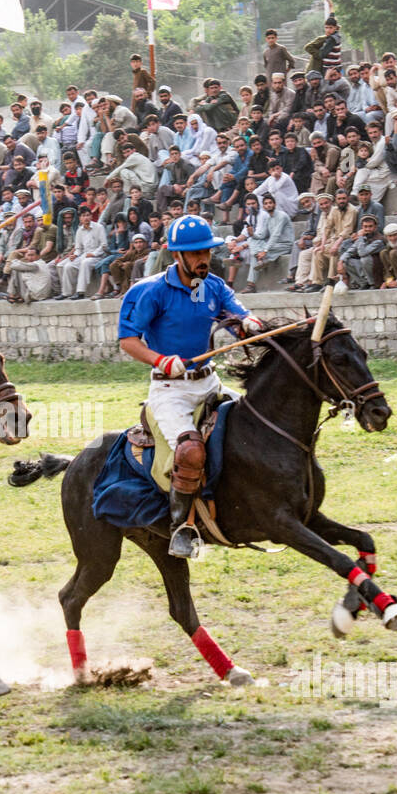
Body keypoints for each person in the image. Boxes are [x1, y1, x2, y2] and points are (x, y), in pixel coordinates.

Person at [116, 214, 264, 558]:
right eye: (195, 253)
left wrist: (249, 323)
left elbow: (237, 317)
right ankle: (181, 527)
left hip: (209, 381)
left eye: (206, 252)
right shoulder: (150, 290)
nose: (203, 259)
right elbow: (128, 341)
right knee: (190, 451)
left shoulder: (213, 285)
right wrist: (161, 360)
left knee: (253, 424)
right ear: (176, 256)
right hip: (170, 390)